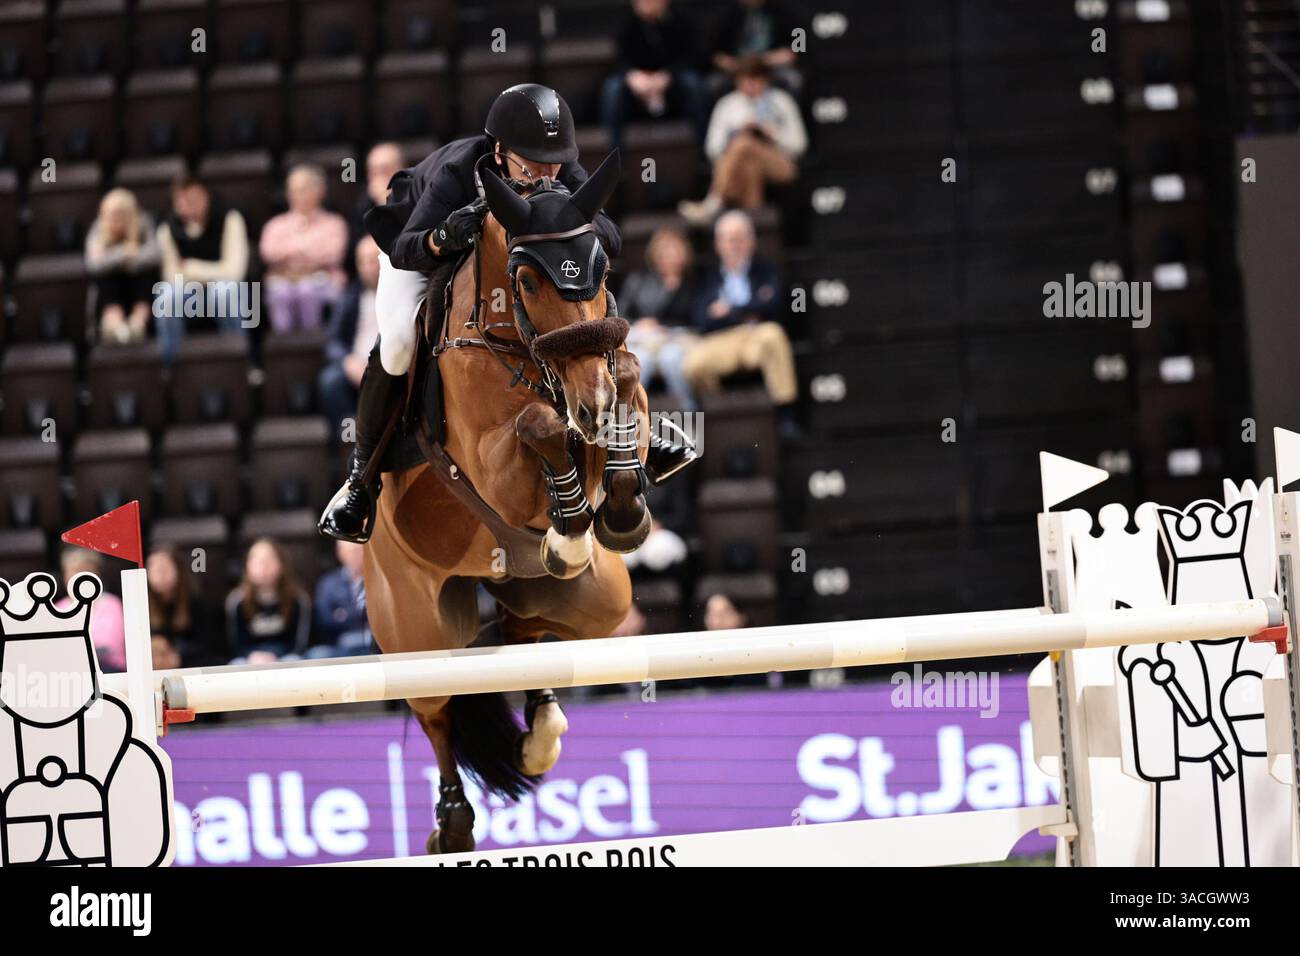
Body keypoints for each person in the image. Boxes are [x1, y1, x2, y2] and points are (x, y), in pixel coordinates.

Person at [320, 82, 694, 543]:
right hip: (422, 247)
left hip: (513, 260)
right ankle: (360, 480)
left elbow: (611, 239)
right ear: (500, 151)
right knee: (398, 342)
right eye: (534, 164)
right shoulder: (459, 172)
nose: (547, 173)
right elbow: (405, 248)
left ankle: (636, 434)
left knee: (576, 292)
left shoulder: (557, 165)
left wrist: (577, 223)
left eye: (554, 162)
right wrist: (444, 235)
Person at [682, 210, 799, 435]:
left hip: (756, 337)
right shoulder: (707, 275)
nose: (735, 245)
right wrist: (746, 311)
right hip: (722, 340)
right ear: (718, 244)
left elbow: (775, 305)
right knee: (692, 365)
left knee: (774, 334)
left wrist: (730, 310)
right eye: (729, 239)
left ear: (751, 241)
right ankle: (718, 414)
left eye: (740, 239)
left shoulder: (767, 269)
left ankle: (786, 414)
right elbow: (701, 319)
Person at [678, 55, 806, 225]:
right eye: (744, 81)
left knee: (743, 144)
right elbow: (713, 149)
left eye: (755, 81)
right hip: (738, 167)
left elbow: (800, 145)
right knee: (747, 160)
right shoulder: (727, 105)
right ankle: (758, 227)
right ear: (737, 82)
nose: (750, 86)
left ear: (765, 80)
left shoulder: (781, 101)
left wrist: (772, 133)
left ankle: (712, 204)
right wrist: (738, 134)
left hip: (781, 164)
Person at [155, 172, 251, 360]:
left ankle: (240, 361)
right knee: (166, 296)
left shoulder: (230, 219)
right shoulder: (167, 229)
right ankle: (170, 368)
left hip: (227, 289)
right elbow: (171, 276)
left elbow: (235, 272)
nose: (187, 206)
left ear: (206, 197)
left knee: (224, 292)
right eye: (181, 201)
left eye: (192, 200)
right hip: (189, 294)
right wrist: (213, 272)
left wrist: (191, 267)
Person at [599, 0, 707, 149]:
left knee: (693, 84)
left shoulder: (681, 21)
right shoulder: (627, 23)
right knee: (613, 88)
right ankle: (615, 155)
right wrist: (631, 75)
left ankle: (701, 150)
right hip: (637, 83)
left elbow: (692, 56)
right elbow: (618, 58)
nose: (644, 4)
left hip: (672, 82)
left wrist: (668, 75)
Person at [258, 164, 349, 332]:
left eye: (303, 189)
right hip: (283, 281)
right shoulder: (275, 225)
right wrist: (306, 251)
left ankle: (312, 347)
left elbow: (334, 254)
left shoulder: (334, 223)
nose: (297, 196)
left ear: (319, 191)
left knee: (307, 290)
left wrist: (291, 254)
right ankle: (285, 349)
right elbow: (268, 253)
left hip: (324, 281)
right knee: (280, 293)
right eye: (292, 190)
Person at [619, 225, 699, 410]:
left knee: (671, 359)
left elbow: (696, 318)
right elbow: (621, 314)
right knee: (639, 363)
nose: (670, 258)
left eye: (675, 251)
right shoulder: (638, 281)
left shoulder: (693, 283)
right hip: (645, 341)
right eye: (664, 252)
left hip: (677, 340)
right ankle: (630, 416)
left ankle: (689, 413)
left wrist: (663, 326)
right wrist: (640, 324)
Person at [319, 236, 382, 435]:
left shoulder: (400, 296)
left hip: (390, 363)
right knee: (330, 381)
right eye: (361, 261)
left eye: (372, 260)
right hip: (356, 362)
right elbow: (333, 340)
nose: (366, 267)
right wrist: (348, 361)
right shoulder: (350, 296)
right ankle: (350, 437)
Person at [85, 188, 160, 344]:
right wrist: (124, 253)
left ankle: (137, 324)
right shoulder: (97, 229)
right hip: (111, 294)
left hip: (139, 291)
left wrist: (115, 257)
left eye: (119, 217)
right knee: (106, 276)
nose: (115, 222)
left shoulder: (144, 224)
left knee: (146, 275)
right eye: (111, 217)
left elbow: (155, 255)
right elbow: (93, 265)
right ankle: (115, 326)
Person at [224, 538, 311, 663]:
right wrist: (253, 656)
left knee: (295, 660)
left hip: (285, 657)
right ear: (247, 566)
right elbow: (235, 645)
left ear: (281, 564)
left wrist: (275, 657)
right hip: (250, 658)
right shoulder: (237, 600)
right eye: (257, 561)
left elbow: (300, 644)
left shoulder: (298, 599)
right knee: (236, 663)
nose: (263, 567)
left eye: (269, 560)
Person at [145, 544, 223, 667]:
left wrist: (177, 655)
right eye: (153, 568)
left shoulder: (198, 603)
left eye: (164, 568)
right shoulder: (142, 606)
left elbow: (210, 648)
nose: (159, 574)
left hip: (194, 668)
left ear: (178, 570)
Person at [707, 0, 802, 94]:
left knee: (793, 79)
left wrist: (765, 61)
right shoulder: (725, 13)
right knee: (714, 83)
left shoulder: (784, 11)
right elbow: (714, 53)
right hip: (736, 68)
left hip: (770, 67)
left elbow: (797, 47)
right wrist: (735, 65)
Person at [56, 548, 126, 673]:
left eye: (87, 570)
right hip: (71, 672)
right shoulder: (58, 608)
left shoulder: (112, 604)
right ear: (65, 575)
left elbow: (110, 646)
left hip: (110, 670)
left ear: (97, 574)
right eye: (76, 570)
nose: (81, 576)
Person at [310, 540, 371, 657]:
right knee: (318, 654)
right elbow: (324, 619)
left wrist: (344, 614)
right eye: (352, 551)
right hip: (340, 643)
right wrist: (361, 612)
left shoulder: (380, 580)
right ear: (340, 553)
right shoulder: (328, 584)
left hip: (374, 640)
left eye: (361, 550)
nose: (358, 555)